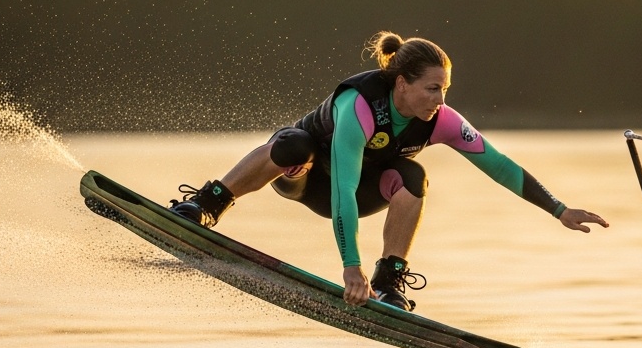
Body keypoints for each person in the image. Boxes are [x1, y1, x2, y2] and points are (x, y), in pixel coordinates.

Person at [170, 32, 608, 311]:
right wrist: (349, 268)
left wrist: (559, 209)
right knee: (291, 143)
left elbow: (500, 166)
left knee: (413, 177)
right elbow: (340, 188)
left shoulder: (442, 120)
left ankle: (389, 280)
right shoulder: (357, 106)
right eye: (432, 88)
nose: (440, 98)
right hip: (309, 180)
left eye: (445, 89)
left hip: (367, 193)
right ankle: (206, 204)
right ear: (402, 84)